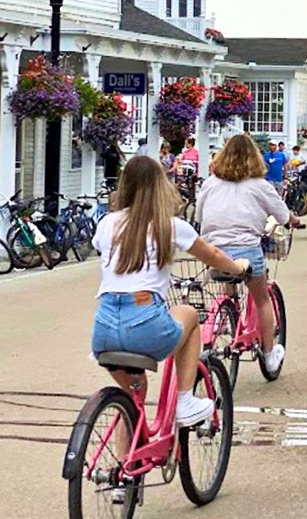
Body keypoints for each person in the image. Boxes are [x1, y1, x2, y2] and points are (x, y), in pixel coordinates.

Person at [91, 155, 249, 427]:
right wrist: (237, 267)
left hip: (104, 329)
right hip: (144, 322)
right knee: (188, 315)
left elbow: (101, 247)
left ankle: (127, 466)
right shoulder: (171, 226)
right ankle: (185, 401)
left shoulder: (107, 223)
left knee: (132, 399)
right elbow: (210, 254)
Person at [196, 134, 298, 374]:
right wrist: (294, 220)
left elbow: (199, 216)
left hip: (213, 251)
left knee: (228, 286)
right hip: (246, 250)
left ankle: (226, 319)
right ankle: (271, 354)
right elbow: (283, 215)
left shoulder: (211, 183)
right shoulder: (260, 185)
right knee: (262, 298)